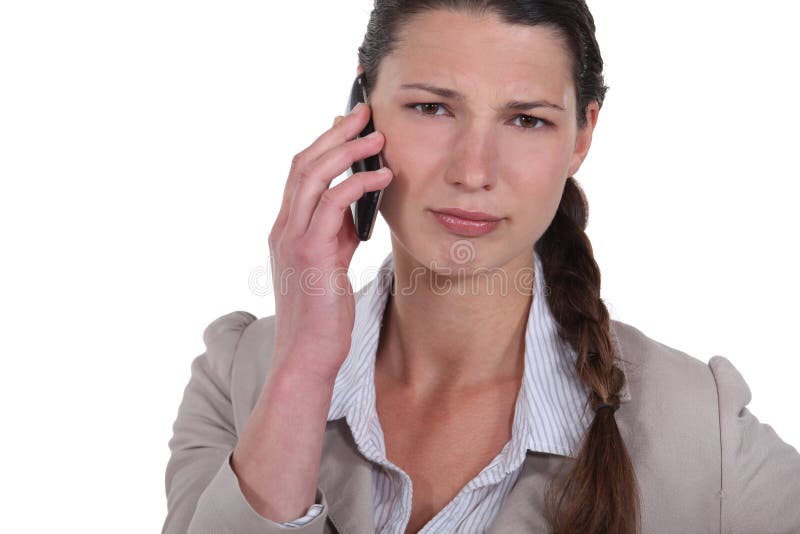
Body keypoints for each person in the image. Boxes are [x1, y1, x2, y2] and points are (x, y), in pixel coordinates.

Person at [161, 1, 800, 533]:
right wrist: (302, 368)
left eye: (526, 119)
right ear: (363, 104)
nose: (473, 171)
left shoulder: (699, 429)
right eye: (432, 108)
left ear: (581, 136)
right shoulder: (240, 373)